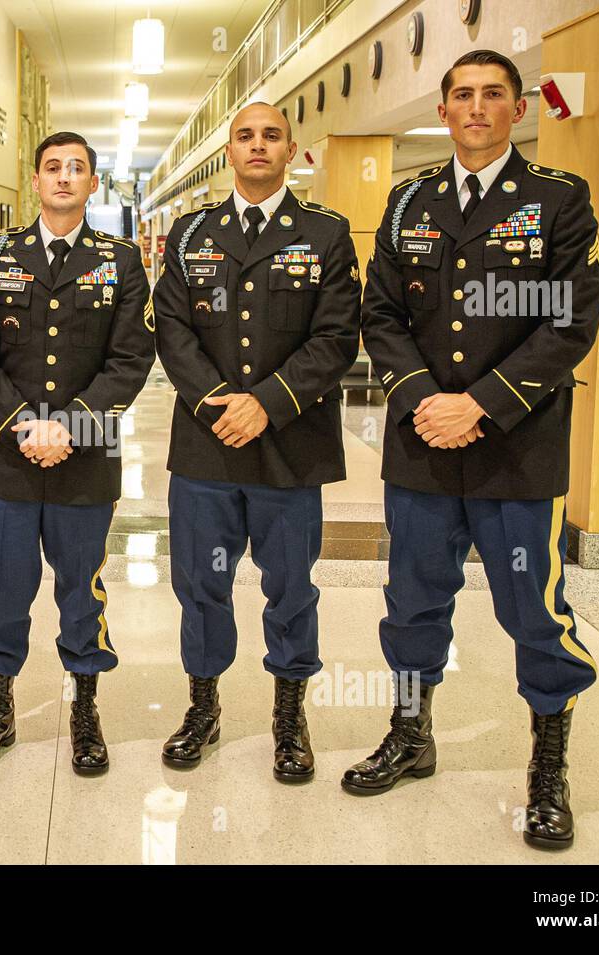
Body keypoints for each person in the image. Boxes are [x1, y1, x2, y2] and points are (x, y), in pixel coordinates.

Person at [346, 50, 599, 851]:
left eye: (494, 94)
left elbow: (568, 322)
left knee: (534, 611)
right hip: (422, 446)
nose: (477, 107)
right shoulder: (407, 201)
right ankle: (412, 732)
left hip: (517, 451)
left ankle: (549, 768)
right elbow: (379, 313)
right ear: (446, 107)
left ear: (518, 107)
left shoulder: (559, 201)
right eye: (463, 94)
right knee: (413, 601)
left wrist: (481, 405)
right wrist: (425, 399)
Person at [152, 103, 361, 781]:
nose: (258, 145)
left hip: (289, 446)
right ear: (230, 150)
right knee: (200, 585)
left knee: (292, 588)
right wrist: (221, 403)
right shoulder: (191, 234)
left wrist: (265, 404)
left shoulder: (325, 234)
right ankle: (203, 708)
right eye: (246, 135)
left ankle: (288, 717)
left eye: (271, 135)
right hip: (208, 446)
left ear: (291, 149)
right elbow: (172, 330)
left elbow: (336, 336)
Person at [0, 131, 155, 774]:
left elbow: (131, 359)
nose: (64, 177)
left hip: (87, 454)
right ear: (34, 180)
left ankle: (84, 706)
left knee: (82, 590)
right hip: (8, 455)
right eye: (52, 167)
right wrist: (21, 424)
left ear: (94, 184)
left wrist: (71, 425)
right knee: (4, 590)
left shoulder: (120, 261)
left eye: (77, 169)